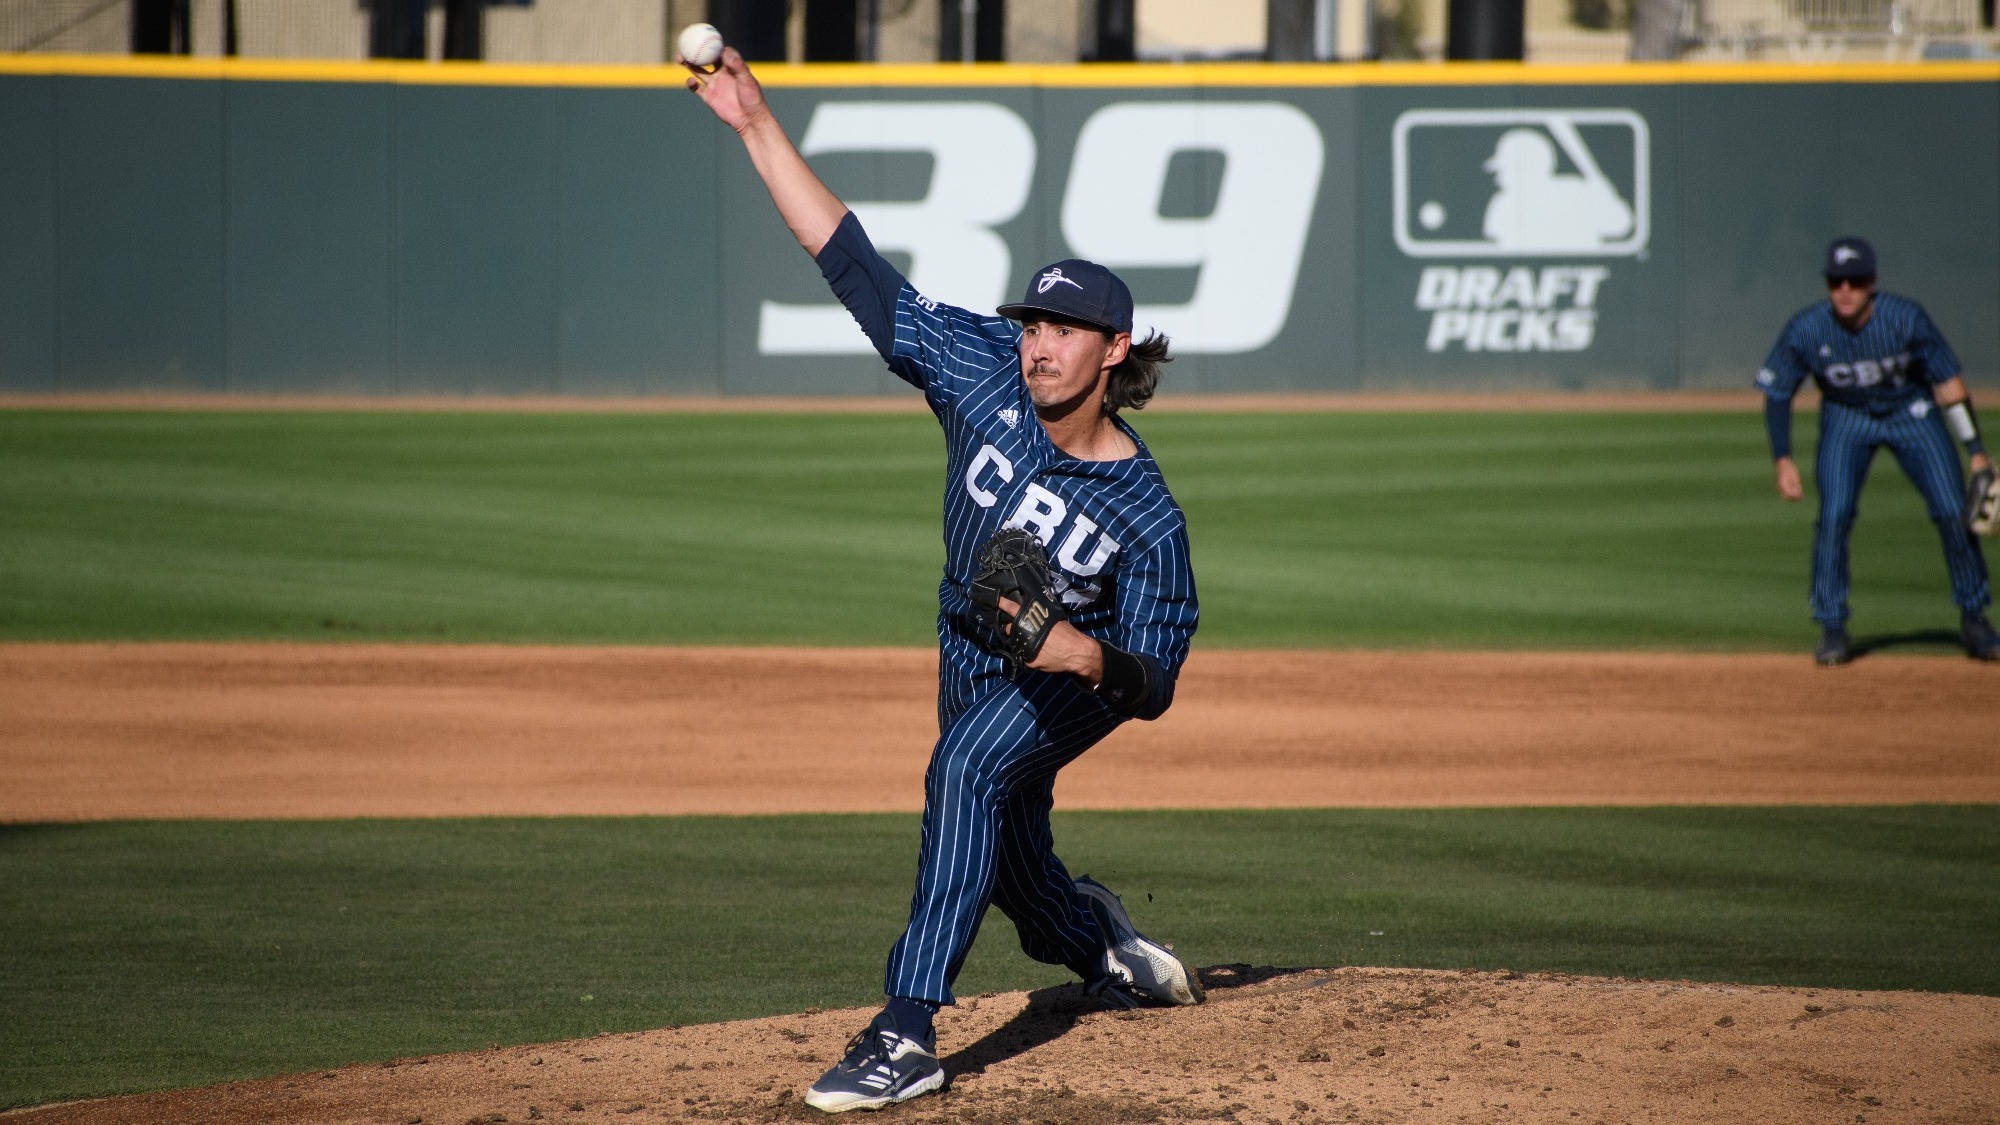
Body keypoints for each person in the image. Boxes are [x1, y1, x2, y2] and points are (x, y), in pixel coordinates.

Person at [683, 47, 1204, 1112]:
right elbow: (853, 264)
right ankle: (1094, 938)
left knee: (963, 771)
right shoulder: (979, 370)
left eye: (1061, 330)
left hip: (1064, 675)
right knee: (1009, 859)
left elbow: (1153, 676)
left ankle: (904, 1029)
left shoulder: (1145, 515)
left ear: (1112, 351)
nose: (1036, 346)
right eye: (1031, 325)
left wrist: (1077, 651)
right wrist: (753, 125)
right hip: (968, 640)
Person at [1757, 236, 1998, 664]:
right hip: (1847, 417)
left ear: (1873, 282)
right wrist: (1782, 459)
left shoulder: (1905, 319)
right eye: (1836, 281)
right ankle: (1832, 627)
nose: (1845, 290)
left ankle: (1974, 617)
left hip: (1912, 411)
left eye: (1854, 280)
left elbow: (1947, 381)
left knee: (1949, 508)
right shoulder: (1808, 329)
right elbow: (1778, 392)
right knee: (1834, 517)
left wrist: (1975, 450)